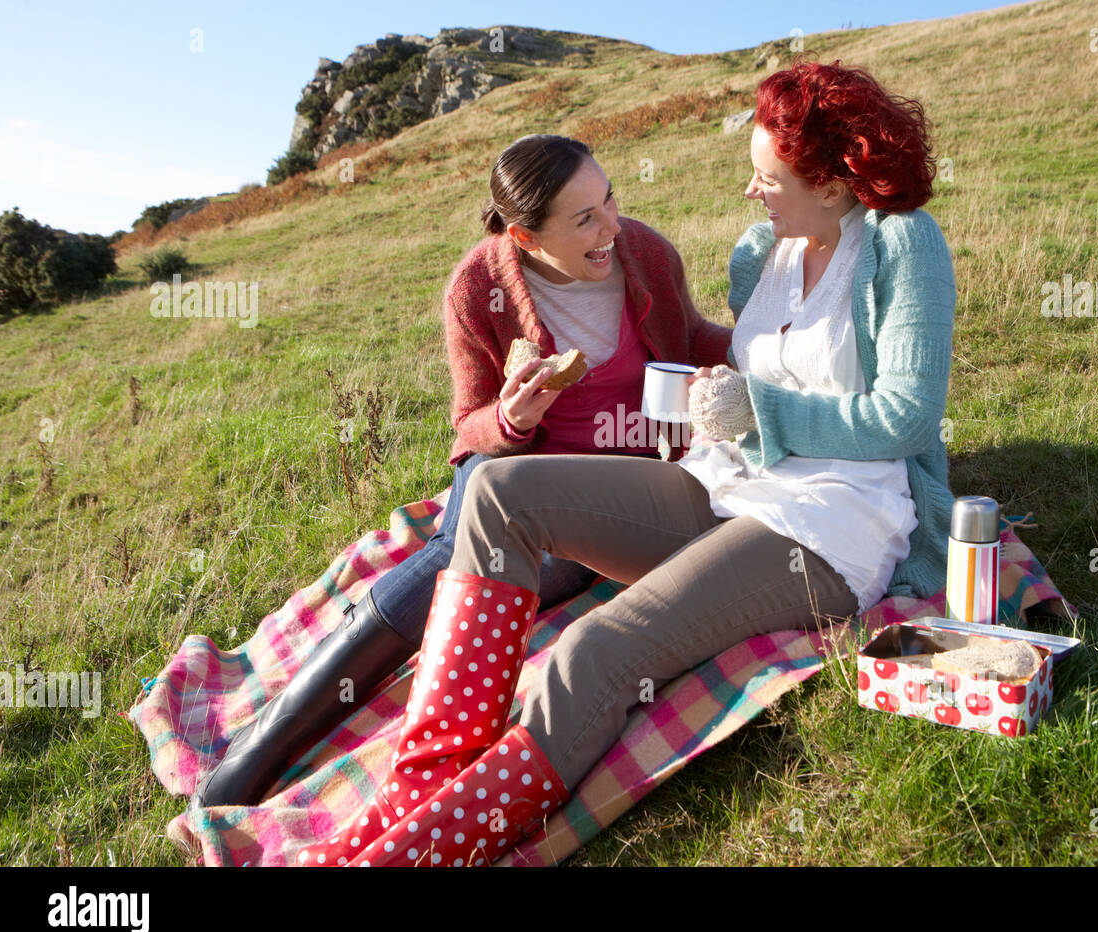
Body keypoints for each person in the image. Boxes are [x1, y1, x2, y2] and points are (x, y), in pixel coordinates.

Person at [298, 59, 957, 867]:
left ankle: (419, 853)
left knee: (594, 651)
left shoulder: (900, 246)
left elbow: (906, 416)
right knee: (498, 493)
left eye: (768, 178)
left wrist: (762, 411)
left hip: (826, 523)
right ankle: (427, 775)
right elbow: (754, 358)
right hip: (723, 484)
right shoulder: (770, 251)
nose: (753, 192)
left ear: (831, 182)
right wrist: (717, 396)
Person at [195, 135, 733, 809]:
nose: (612, 227)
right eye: (585, 219)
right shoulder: (477, 289)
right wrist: (511, 418)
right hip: (516, 462)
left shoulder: (645, 254)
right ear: (524, 235)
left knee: (554, 568)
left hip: (616, 477)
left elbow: (693, 336)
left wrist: (761, 348)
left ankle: (444, 738)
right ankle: (263, 747)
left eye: (609, 199)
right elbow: (468, 424)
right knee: (458, 551)